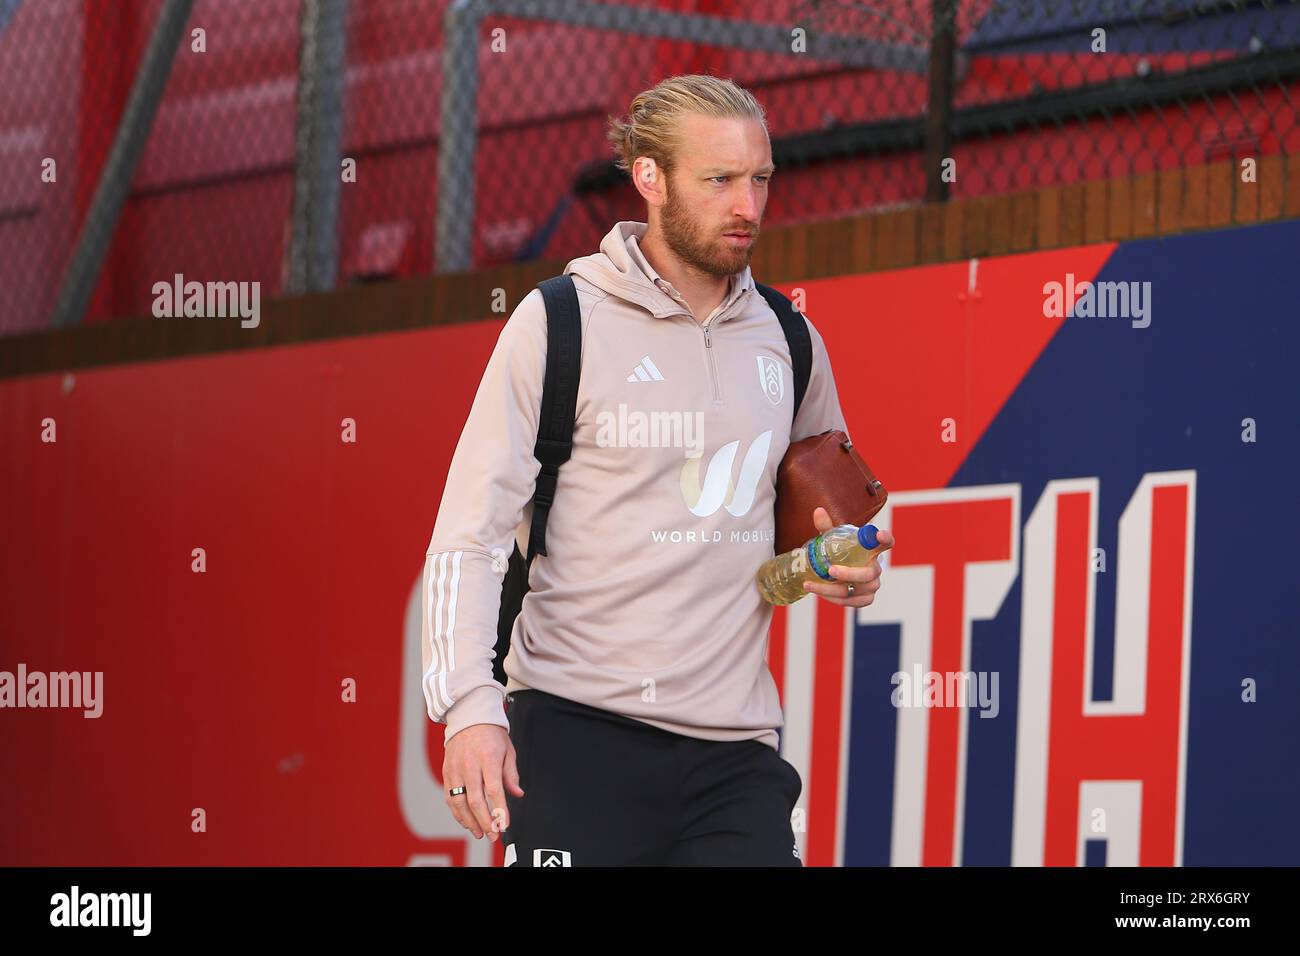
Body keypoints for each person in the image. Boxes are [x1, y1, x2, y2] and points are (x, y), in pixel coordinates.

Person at [420, 74, 893, 866]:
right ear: (649, 176)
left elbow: (836, 514)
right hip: (574, 736)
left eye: (760, 179)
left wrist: (851, 562)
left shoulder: (790, 338)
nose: (748, 205)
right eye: (719, 181)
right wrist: (469, 707)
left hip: (736, 753)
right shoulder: (560, 321)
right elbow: (469, 530)